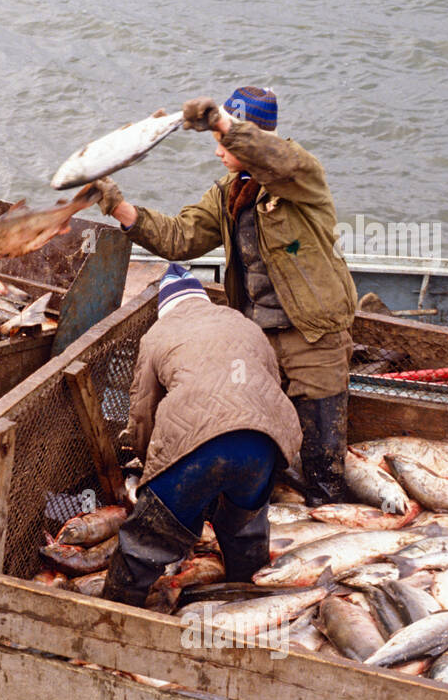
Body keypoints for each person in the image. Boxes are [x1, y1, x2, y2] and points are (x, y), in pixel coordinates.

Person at [95, 87, 357, 506]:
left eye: (223, 142)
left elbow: (274, 158)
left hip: (314, 337)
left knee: (323, 463)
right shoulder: (227, 193)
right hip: (255, 342)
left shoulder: (300, 176)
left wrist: (221, 123)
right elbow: (180, 237)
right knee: (261, 451)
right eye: (217, 140)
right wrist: (119, 207)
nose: (218, 152)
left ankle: (325, 522)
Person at [103, 265, 302, 612]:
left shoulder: (157, 334)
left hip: (197, 449)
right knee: (245, 530)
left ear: (166, 308)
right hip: (263, 443)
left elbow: (143, 413)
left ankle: (113, 617)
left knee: (144, 543)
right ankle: (248, 605)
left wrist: (152, 466)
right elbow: (271, 381)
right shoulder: (244, 324)